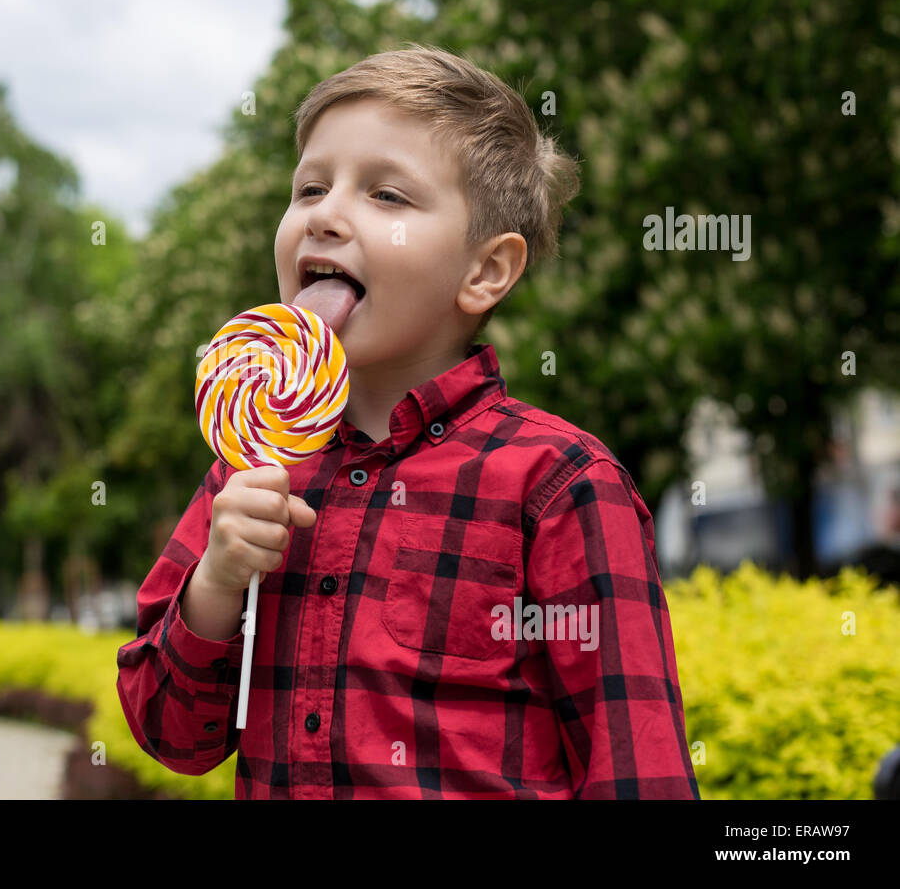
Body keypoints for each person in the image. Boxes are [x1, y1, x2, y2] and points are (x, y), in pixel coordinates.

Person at [116, 44, 699, 799]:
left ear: (485, 270)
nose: (325, 215)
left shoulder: (557, 485)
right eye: (311, 188)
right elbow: (171, 735)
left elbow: (639, 773)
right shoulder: (251, 466)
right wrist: (218, 582)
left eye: (387, 196)